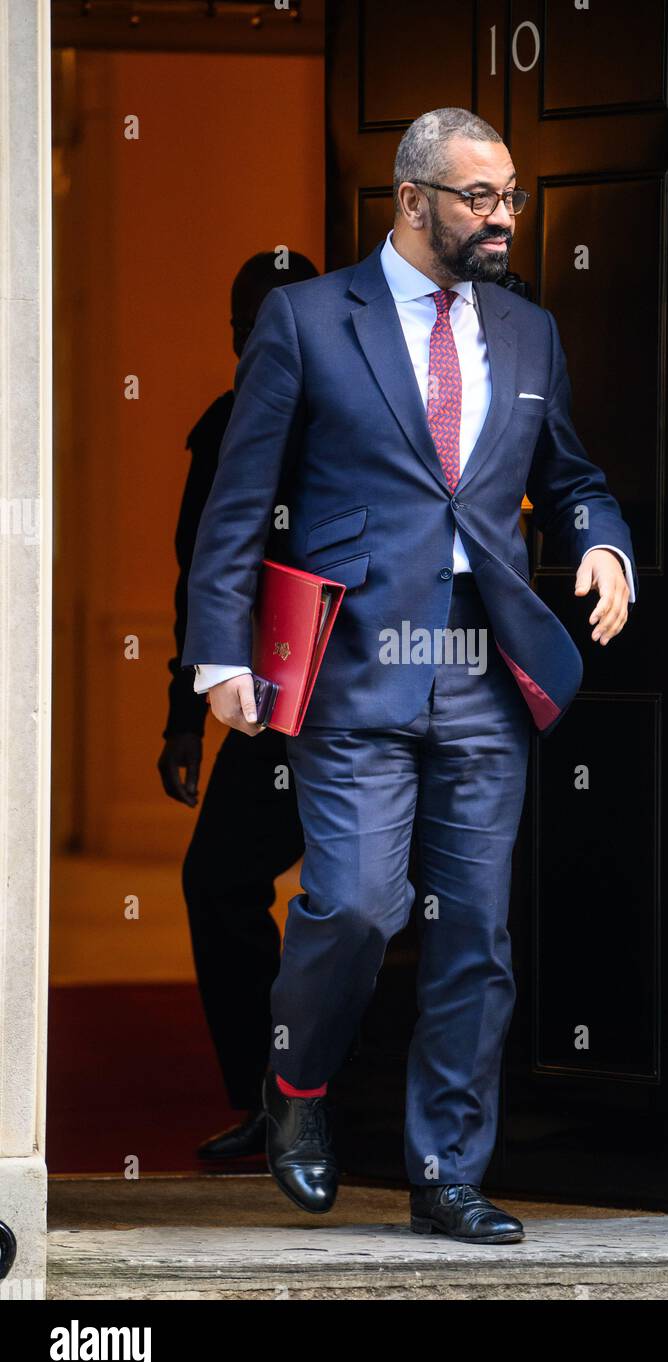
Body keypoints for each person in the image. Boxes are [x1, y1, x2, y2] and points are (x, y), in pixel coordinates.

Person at [181, 108, 637, 1243]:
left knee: (474, 932)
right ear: (411, 199)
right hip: (353, 671)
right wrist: (219, 655)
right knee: (353, 903)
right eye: (477, 196)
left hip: (485, 673)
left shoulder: (528, 335)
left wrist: (600, 539)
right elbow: (239, 501)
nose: (501, 217)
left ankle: (446, 1172)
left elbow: (570, 473)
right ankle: (294, 1087)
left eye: (511, 195)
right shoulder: (304, 320)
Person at [158, 251, 319, 1161]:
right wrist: (183, 717)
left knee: (379, 903)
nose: (250, 345)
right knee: (218, 879)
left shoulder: (355, 415)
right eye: (239, 330)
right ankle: (270, 1099)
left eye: (266, 327)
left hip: (379, 697)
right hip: (262, 707)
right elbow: (199, 580)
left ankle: (348, 1105)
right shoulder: (224, 426)